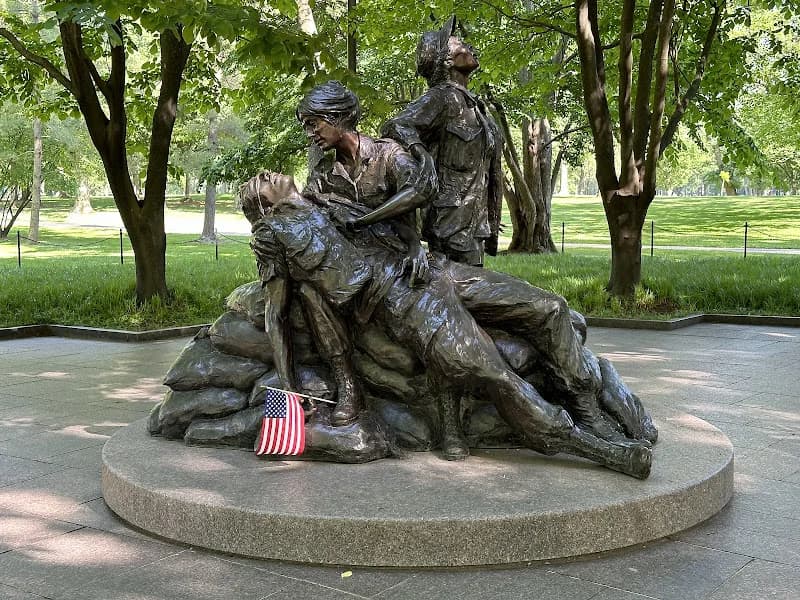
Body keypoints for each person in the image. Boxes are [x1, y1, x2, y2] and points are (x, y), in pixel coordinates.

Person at [240, 172, 652, 479]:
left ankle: (590, 409)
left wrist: (414, 245)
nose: (267, 174)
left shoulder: (327, 198)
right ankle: (600, 450)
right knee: (496, 374)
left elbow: (401, 215)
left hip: (435, 269)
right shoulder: (271, 234)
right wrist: (291, 385)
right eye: (260, 182)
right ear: (263, 207)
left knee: (549, 307)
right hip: (403, 300)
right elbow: (278, 313)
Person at [381, 15, 503, 267]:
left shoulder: (474, 106)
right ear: (447, 60)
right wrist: (421, 153)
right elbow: (396, 125)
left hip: (475, 222)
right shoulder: (442, 98)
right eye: (460, 44)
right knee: (456, 285)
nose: (469, 47)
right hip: (449, 224)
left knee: (473, 285)